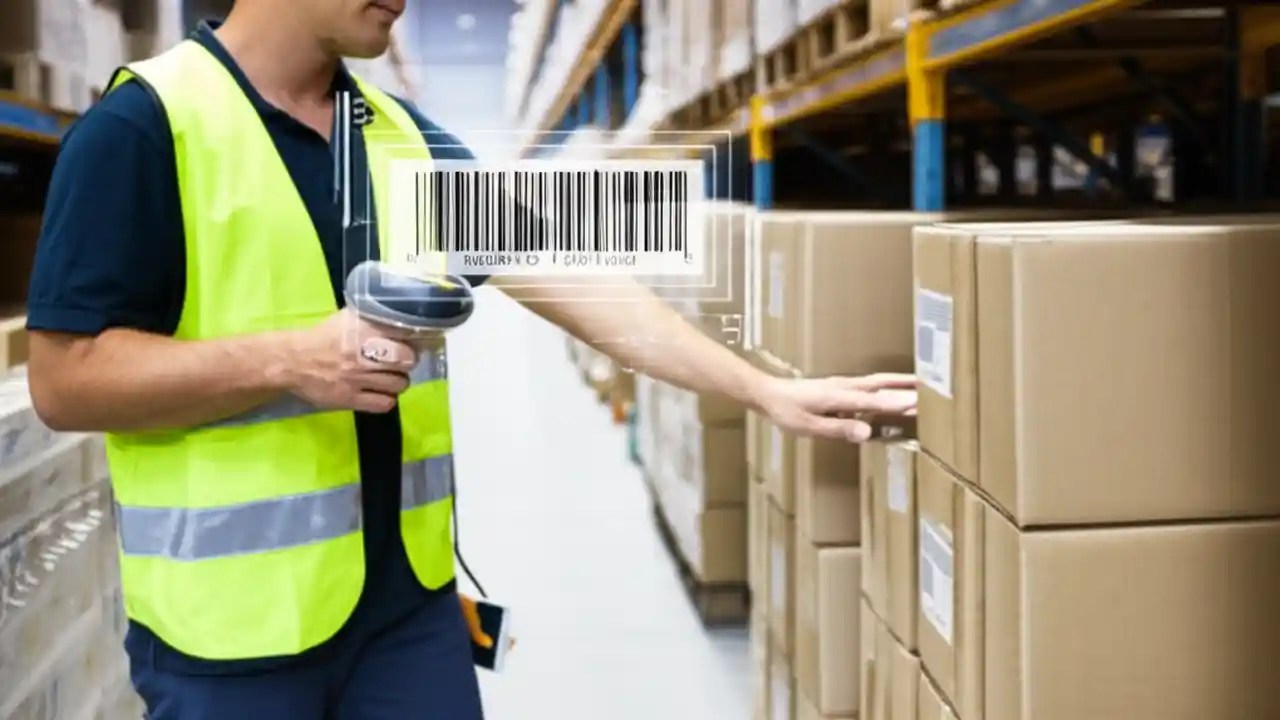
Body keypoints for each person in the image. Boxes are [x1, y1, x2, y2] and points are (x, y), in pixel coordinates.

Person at [23, 1, 917, 718]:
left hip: (408, 616)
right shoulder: (145, 127)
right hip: (232, 644)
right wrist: (287, 359)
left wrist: (764, 390)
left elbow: (562, 269)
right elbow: (66, 381)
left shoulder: (396, 136)